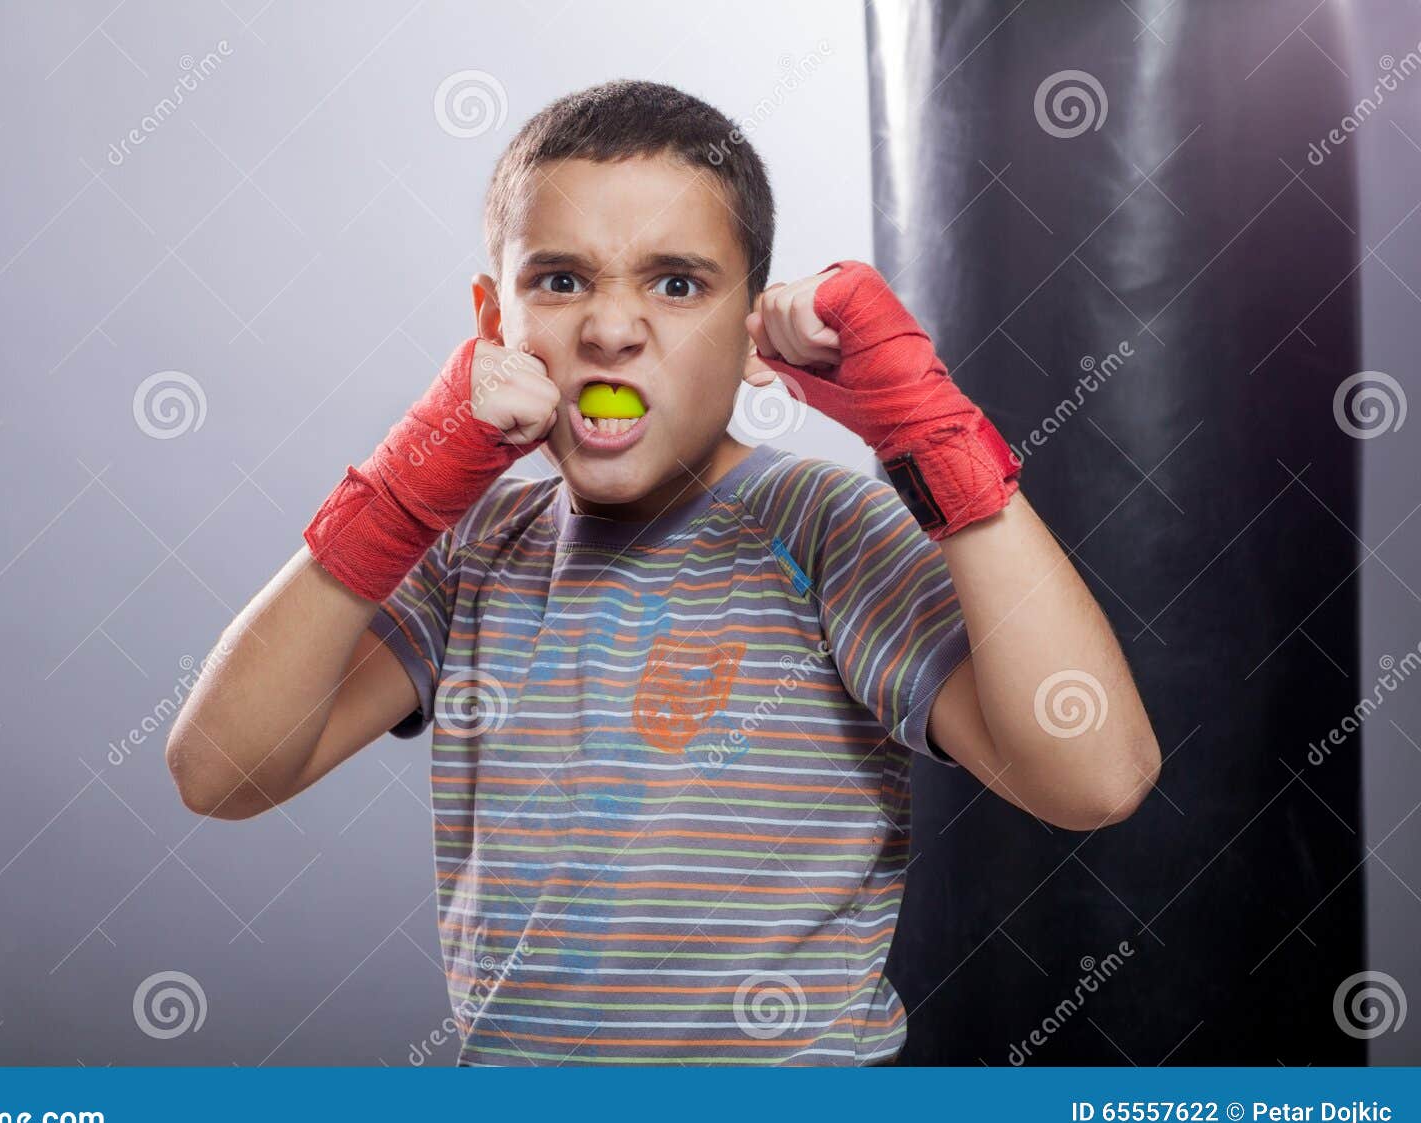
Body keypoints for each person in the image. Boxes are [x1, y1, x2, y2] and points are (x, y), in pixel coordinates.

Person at [165, 79, 1161, 1066]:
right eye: (558, 279)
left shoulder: (819, 526)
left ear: (752, 335)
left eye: (676, 282)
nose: (609, 329)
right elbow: (220, 771)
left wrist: (934, 440)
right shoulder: (471, 545)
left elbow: (1097, 779)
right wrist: (394, 495)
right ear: (490, 319)